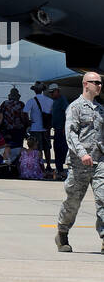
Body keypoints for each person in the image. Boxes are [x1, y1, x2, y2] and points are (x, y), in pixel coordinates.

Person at [55, 72, 104, 252]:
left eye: (100, 82)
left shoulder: (100, 109)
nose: (99, 85)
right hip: (79, 164)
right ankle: (62, 232)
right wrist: (82, 153)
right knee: (72, 202)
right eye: (95, 82)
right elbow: (70, 134)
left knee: (103, 198)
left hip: (100, 162)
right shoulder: (74, 107)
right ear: (86, 84)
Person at [25, 82, 54, 172]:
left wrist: (28, 122)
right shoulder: (50, 100)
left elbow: (24, 112)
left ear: (35, 91)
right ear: (42, 90)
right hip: (46, 128)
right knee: (47, 148)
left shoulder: (31, 101)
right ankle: (48, 165)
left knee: (37, 148)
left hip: (35, 127)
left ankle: (40, 166)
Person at [50, 83, 69, 180]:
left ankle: (61, 169)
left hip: (61, 130)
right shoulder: (55, 101)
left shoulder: (62, 100)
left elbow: (67, 113)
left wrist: (65, 127)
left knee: (61, 149)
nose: (51, 94)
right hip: (57, 129)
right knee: (57, 148)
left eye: (52, 92)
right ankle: (59, 169)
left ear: (57, 91)